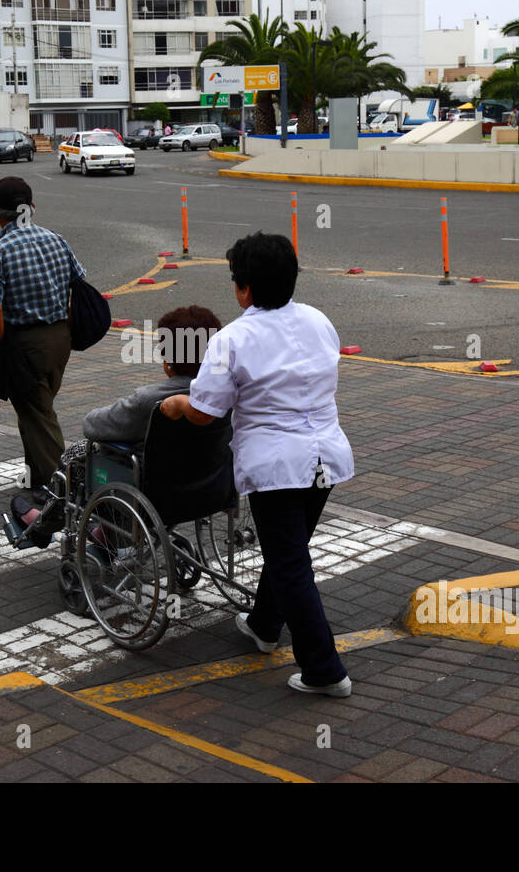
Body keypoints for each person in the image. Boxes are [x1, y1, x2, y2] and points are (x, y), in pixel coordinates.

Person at [160, 232, 355, 698]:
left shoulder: (234, 339)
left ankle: (325, 671)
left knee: (290, 563)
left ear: (244, 288)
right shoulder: (318, 320)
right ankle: (265, 625)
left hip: (277, 466)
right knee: (288, 551)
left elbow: (206, 412)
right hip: (326, 457)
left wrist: (177, 405)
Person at [11, 305, 223, 548]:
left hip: (152, 490)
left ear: (168, 360)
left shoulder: (149, 401)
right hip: (207, 485)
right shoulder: (226, 394)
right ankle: (104, 532)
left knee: (77, 455)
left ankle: (42, 526)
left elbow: (91, 425)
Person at [0, 176, 84, 501]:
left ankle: (66, 491)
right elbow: (78, 284)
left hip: (23, 342)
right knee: (36, 407)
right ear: (31, 207)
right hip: (60, 338)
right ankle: (37, 478)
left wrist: (1, 345)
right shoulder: (55, 239)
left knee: (39, 415)